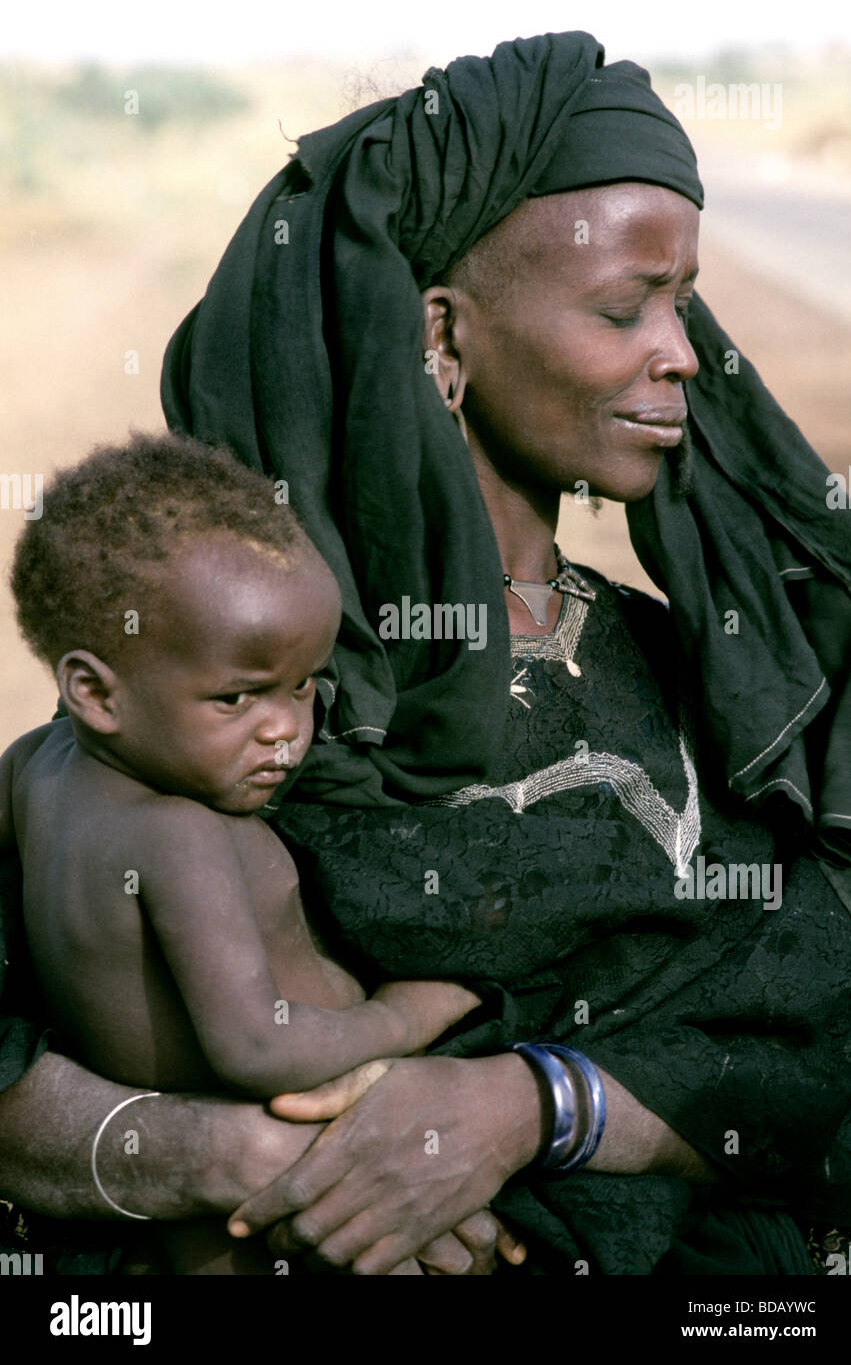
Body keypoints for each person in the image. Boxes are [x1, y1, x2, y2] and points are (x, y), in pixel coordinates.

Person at [2, 30, 851, 1277]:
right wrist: (234, 1160)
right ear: (441, 340)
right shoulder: (219, 697)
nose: (680, 352)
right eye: (626, 307)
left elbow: (820, 1039)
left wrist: (526, 1108)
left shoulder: (711, 690)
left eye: (681, 303)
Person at [2, 432, 490, 1273]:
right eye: (238, 696)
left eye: (303, 684)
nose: (286, 730)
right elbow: (257, 1046)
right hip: (275, 1183)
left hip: (179, 1205)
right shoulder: (176, 835)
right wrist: (408, 1013)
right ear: (93, 691)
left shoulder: (29, 770)